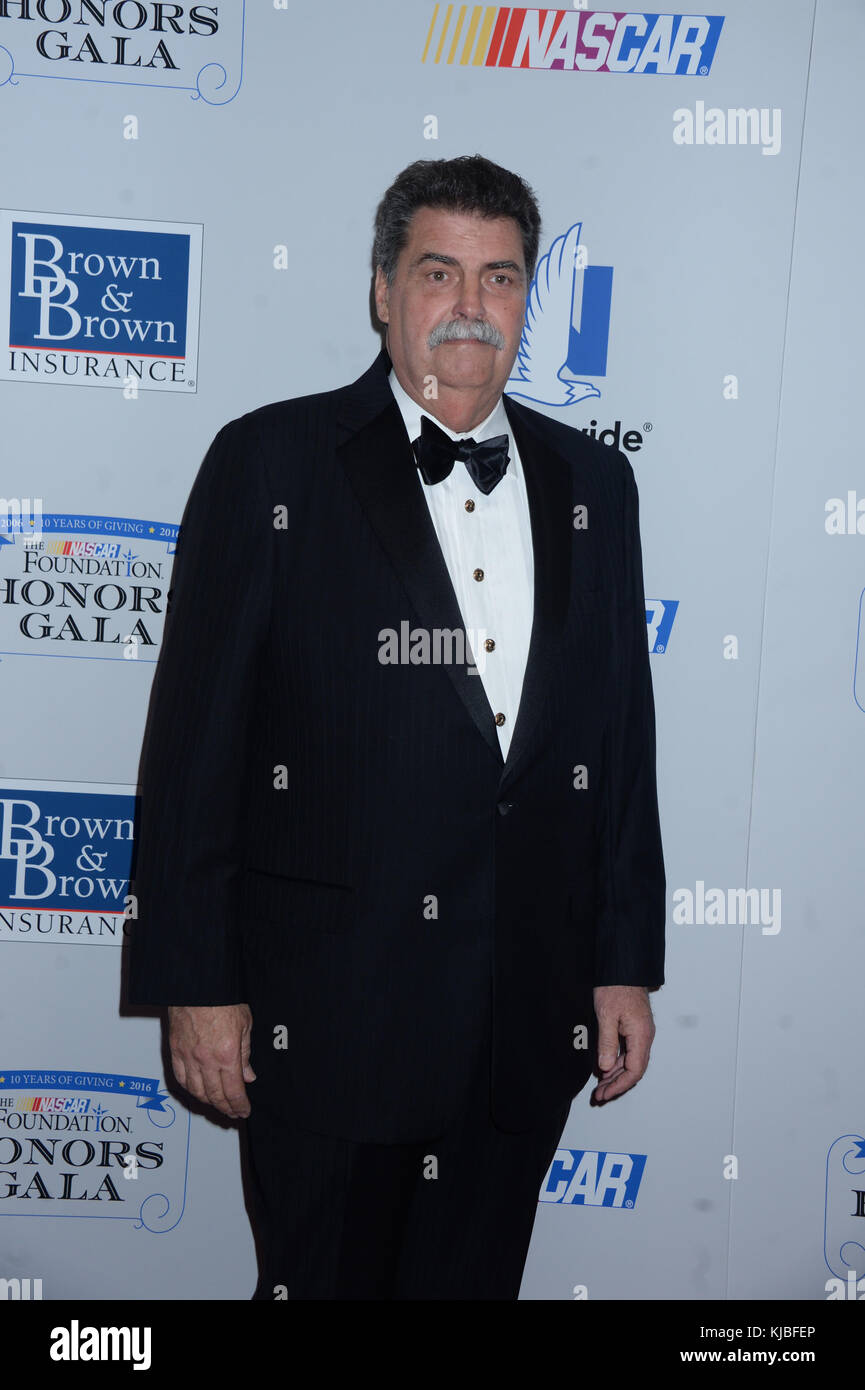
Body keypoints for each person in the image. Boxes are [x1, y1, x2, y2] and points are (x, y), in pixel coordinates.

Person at [127, 154, 665, 1300]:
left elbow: (617, 743)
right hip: (326, 1022)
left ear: (528, 297)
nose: (471, 303)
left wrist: (623, 964)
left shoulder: (593, 486)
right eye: (438, 271)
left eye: (501, 276)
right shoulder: (269, 462)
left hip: (518, 1022)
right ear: (383, 292)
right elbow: (193, 747)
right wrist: (195, 980)